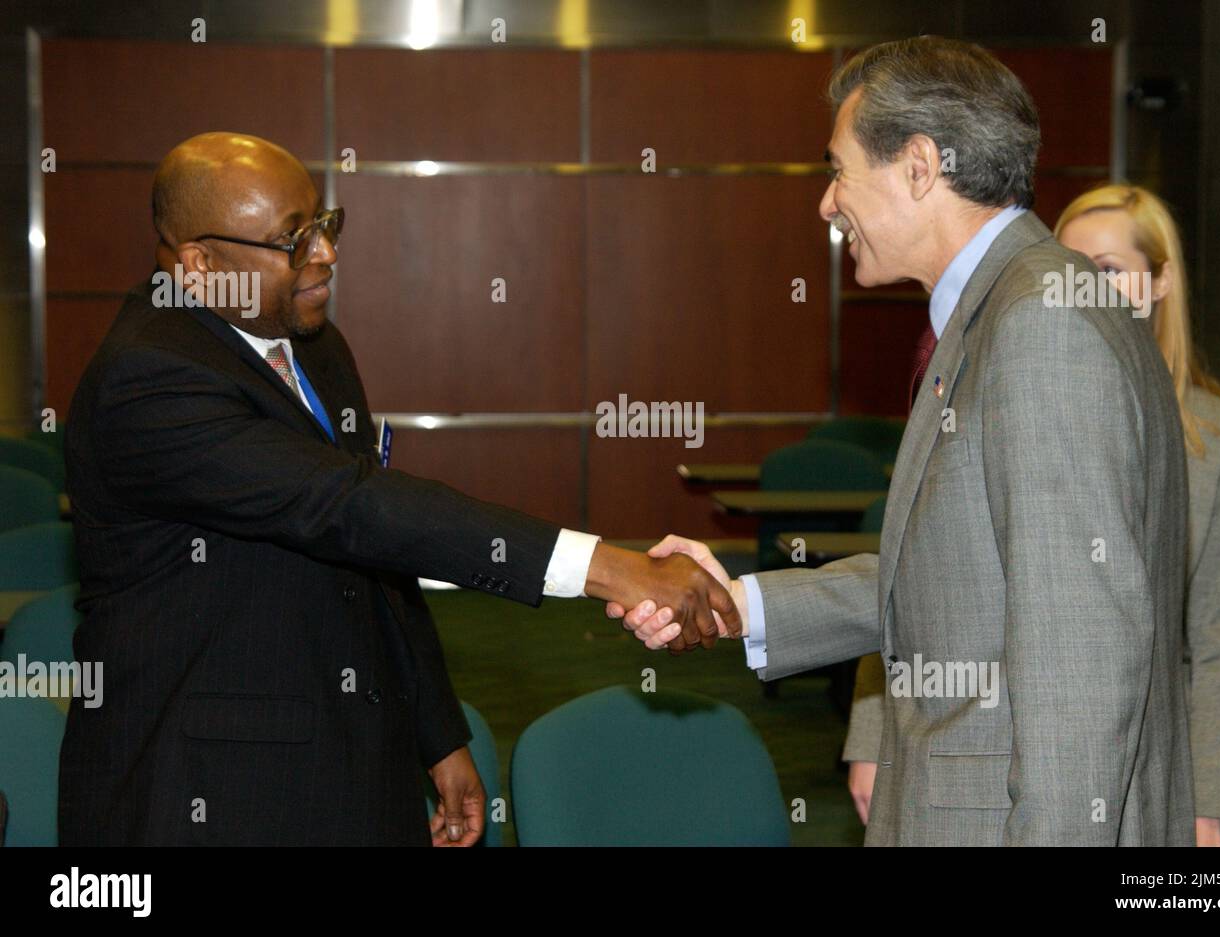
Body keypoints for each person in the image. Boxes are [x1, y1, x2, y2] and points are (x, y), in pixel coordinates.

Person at [59, 132, 738, 846]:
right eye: (292, 240)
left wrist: (436, 732)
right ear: (199, 264)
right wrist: (606, 565)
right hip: (205, 790)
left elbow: (374, 552)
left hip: (346, 756)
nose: (325, 254)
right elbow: (348, 505)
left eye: (324, 224)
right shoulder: (149, 377)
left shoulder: (312, 343)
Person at [613, 36, 1196, 845]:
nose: (826, 202)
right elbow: (962, 573)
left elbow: (1080, 663)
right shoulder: (1013, 309)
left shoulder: (1040, 326)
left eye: (839, 169)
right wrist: (740, 601)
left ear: (920, 165)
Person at [1055, 185, 1220, 846]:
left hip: (1152, 763)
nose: (1084, 291)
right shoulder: (1007, 406)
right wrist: (874, 731)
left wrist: (1205, 799)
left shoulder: (1217, 436)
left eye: (1108, 272)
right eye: (1069, 272)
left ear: (1161, 280)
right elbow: (929, 576)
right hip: (1016, 748)